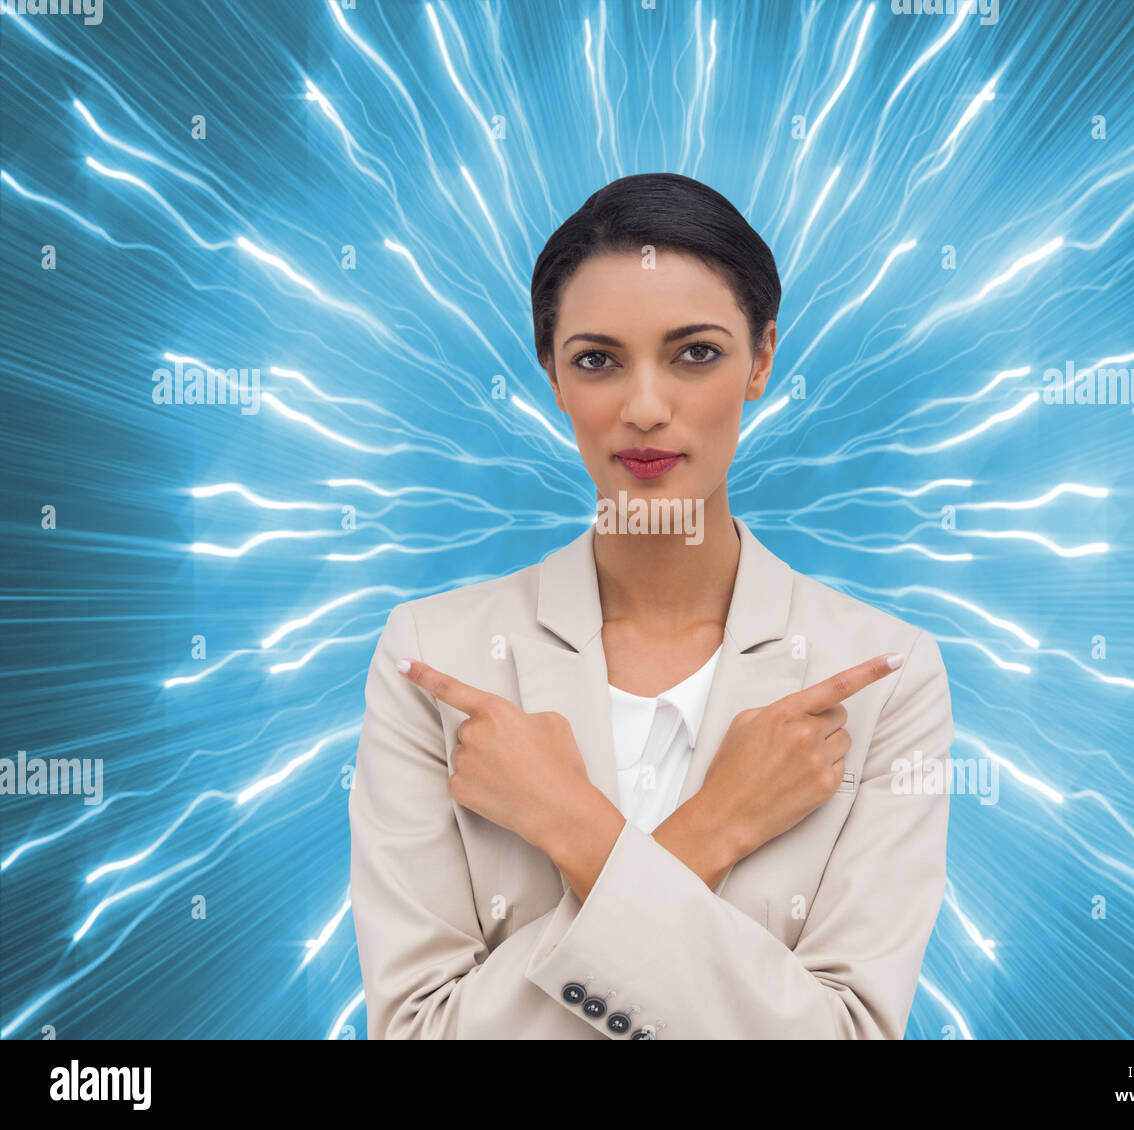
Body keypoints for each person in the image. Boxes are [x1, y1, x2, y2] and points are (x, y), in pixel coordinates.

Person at [349, 172, 954, 1039]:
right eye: (597, 360)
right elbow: (416, 1032)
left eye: (695, 353)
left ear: (762, 360)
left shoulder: (883, 674)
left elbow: (849, 1033)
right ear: (553, 377)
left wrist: (582, 836)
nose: (644, 408)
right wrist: (714, 828)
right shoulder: (432, 656)